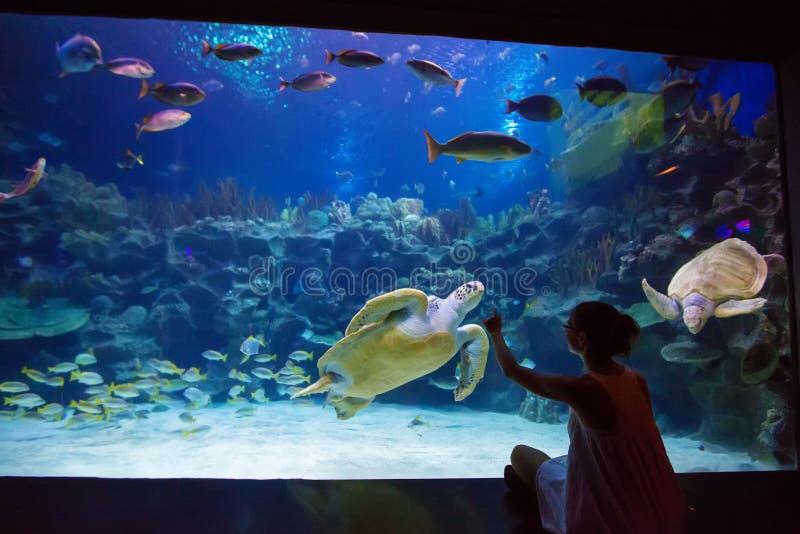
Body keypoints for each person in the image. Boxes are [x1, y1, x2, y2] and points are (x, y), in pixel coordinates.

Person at [482, 301, 686, 533]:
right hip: (655, 502)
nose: (564, 330)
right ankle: (539, 494)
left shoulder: (584, 389)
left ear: (582, 339)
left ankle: (540, 500)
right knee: (560, 463)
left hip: (609, 514)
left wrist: (496, 333)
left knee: (520, 455)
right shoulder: (635, 379)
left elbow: (513, 371)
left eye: (568, 326)